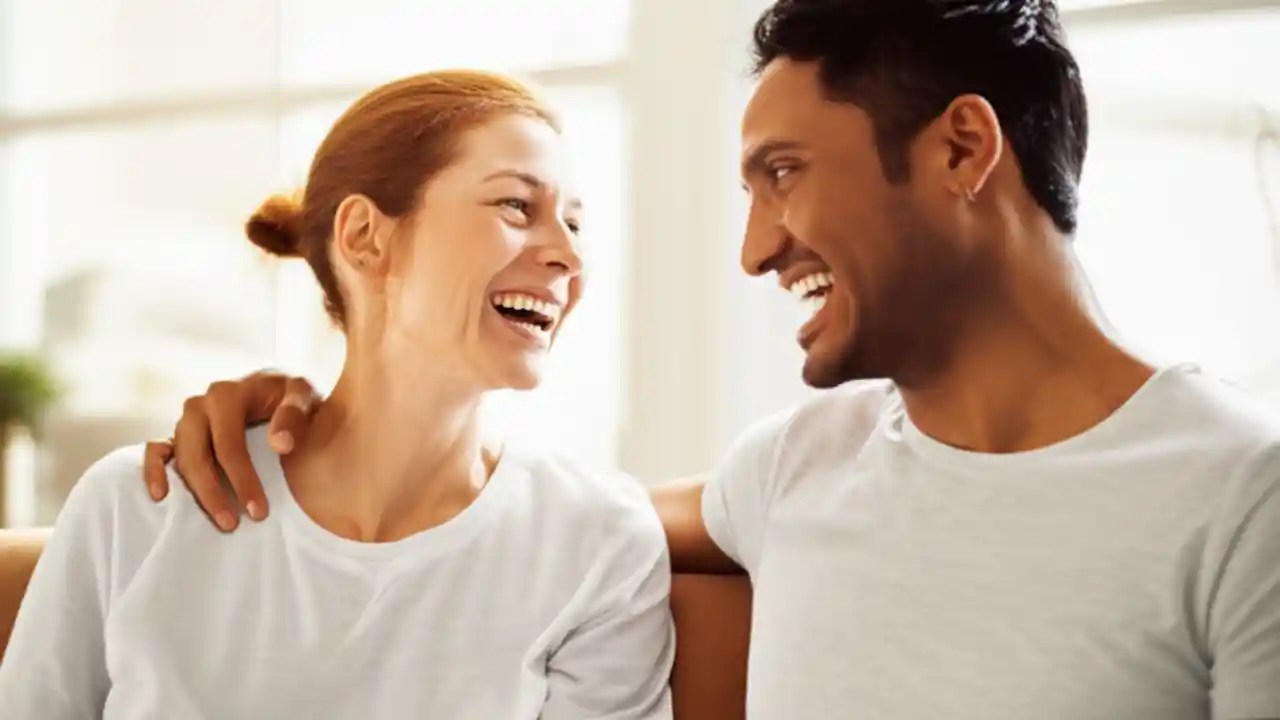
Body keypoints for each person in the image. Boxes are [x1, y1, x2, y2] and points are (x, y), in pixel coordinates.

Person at [148, 1, 1280, 718]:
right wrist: (296, 432)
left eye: (781, 173)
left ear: (960, 148)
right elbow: (488, 519)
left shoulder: (1241, 498)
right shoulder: (793, 471)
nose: (753, 250)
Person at [0, 70, 674, 719]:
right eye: (516, 206)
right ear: (364, 237)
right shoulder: (138, 508)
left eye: (575, 224)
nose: (569, 257)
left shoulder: (596, 543)